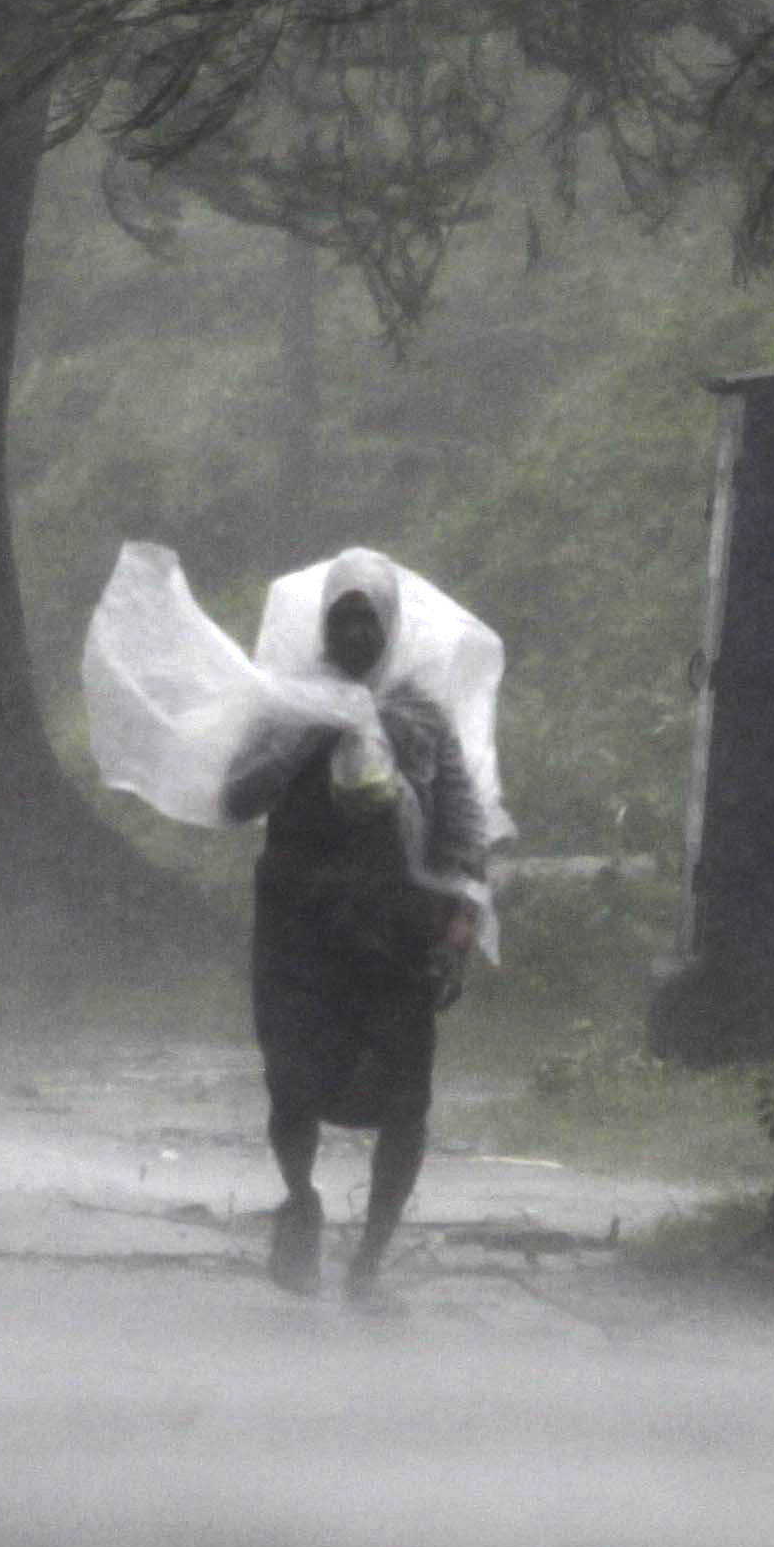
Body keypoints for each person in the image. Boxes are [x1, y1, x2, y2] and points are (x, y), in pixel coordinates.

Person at [218, 549, 496, 1304]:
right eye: (340, 617)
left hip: (394, 933)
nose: (353, 632)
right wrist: (308, 733)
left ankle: (370, 1256)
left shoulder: (417, 716)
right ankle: (301, 1201)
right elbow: (234, 798)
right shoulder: (289, 705)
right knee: (293, 1082)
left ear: (391, 625)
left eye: (366, 617)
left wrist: (459, 928)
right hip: (300, 931)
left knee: (405, 1097)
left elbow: (464, 829)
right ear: (323, 627)